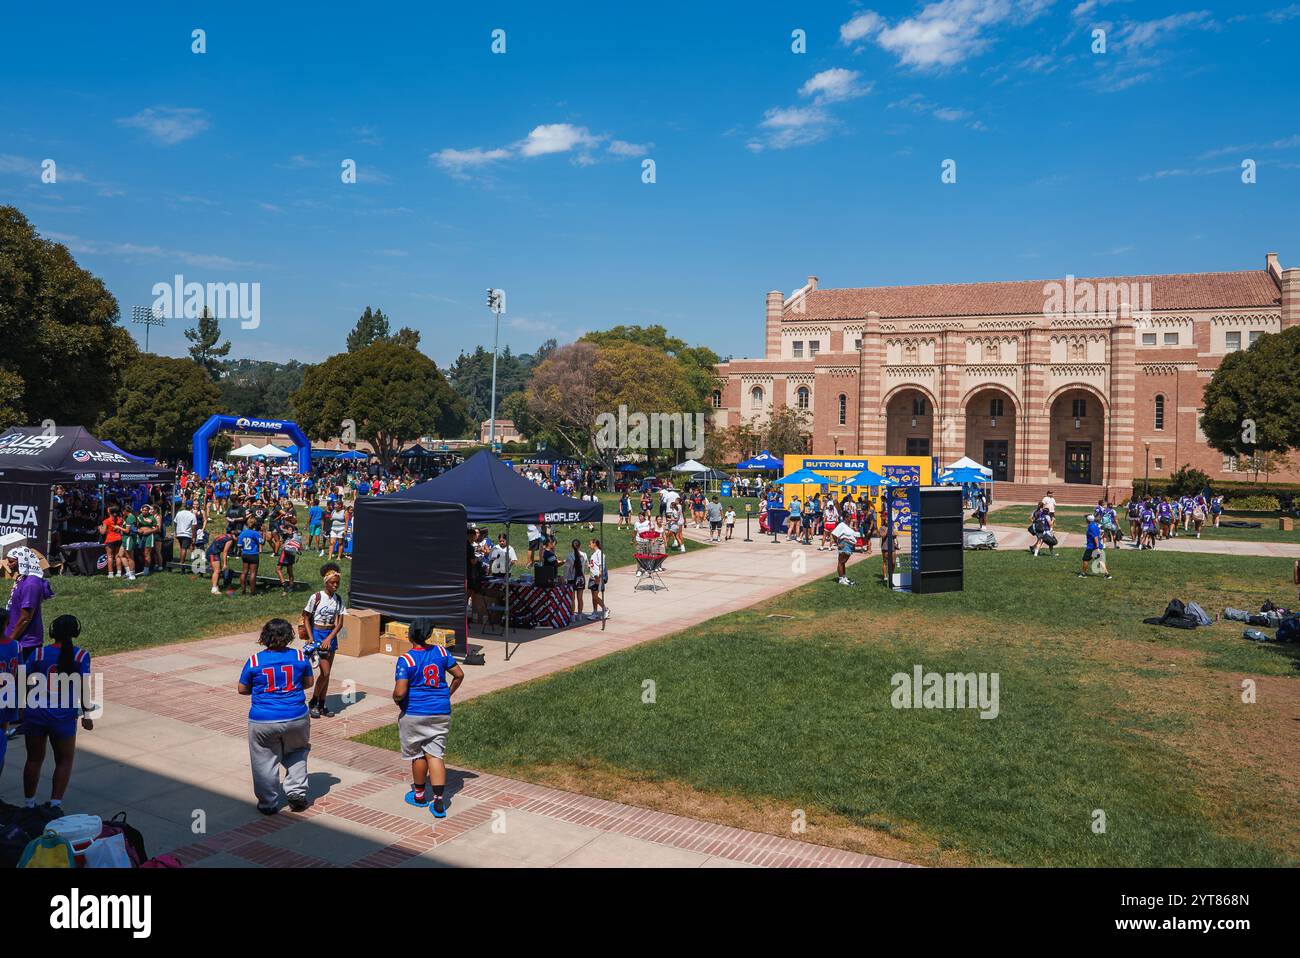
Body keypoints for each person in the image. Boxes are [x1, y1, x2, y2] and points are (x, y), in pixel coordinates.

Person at [238, 618, 313, 814]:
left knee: (264, 760)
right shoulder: (299, 656)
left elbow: (242, 688)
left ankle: (268, 803)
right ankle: (296, 793)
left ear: (264, 637)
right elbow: (308, 683)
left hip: (263, 719)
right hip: (296, 716)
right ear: (289, 636)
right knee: (297, 751)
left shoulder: (254, 661)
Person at [21, 614, 94, 809]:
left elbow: (23, 681)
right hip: (63, 717)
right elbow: (84, 688)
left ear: (53, 632)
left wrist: (25, 706)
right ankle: (54, 804)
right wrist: (87, 715)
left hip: (35, 713)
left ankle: (29, 803)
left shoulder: (38, 654)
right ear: (75, 633)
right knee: (64, 759)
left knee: (34, 758)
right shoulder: (80, 656)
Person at [392, 618, 463, 818]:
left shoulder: (406, 660)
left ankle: (420, 795)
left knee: (418, 754)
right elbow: (459, 674)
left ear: (410, 635)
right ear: (429, 635)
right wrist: (446, 694)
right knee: (435, 754)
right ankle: (440, 802)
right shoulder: (441, 652)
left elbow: (400, 691)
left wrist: (396, 699)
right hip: (441, 711)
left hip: (414, 713)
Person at [4, 547, 54, 664]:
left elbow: (26, 618)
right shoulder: (23, 578)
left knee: (22, 679)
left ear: (22, 560)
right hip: (17, 639)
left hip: (26, 643)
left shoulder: (31, 584)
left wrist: (10, 641)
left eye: (11, 561)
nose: (8, 564)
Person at [1079, 514, 1112, 579]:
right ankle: (1107, 574)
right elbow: (1099, 535)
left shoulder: (1091, 527)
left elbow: (1096, 537)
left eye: (1086, 519)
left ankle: (1083, 574)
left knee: (1085, 559)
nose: (1085, 520)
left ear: (1088, 520)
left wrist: (1096, 548)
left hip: (1092, 547)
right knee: (1100, 560)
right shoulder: (1095, 525)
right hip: (1096, 546)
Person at [236, 516, 263, 595]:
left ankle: (243, 590)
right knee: (253, 573)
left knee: (244, 572)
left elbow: (239, 545)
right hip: (253, 554)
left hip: (245, 554)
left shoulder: (242, 533)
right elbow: (262, 542)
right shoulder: (255, 533)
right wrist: (263, 533)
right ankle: (252, 591)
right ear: (255, 525)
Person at [587, 537, 607, 621]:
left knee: (595, 596)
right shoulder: (594, 554)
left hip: (597, 577)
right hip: (592, 577)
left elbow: (601, 565)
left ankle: (605, 609)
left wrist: (599, 576)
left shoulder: (599, 553)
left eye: (590, 543)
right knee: (593, 596)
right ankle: (595, 612)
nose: (589, 545)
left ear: (595, 544)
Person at [173, 499, 198, 566]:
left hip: (179, 533)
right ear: (191, 506)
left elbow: (175, 523)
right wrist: (193, 537)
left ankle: (181, 561)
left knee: (181, 547)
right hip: (187, 534)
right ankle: (181, 562)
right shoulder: (192, 515)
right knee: (184, 548)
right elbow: (193, 527)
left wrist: (175, 532)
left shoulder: (179, 513)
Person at [566, 539, 587, 618]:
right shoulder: (584, 555)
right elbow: (586, 565)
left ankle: (572, 616)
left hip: (572, 578)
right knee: (580, 598)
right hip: (581, 578)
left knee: (572, 598)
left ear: (572, 546)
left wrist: (565, 578)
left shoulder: (570, 556)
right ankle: (580, 615)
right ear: (580, 546)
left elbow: (567, 569)